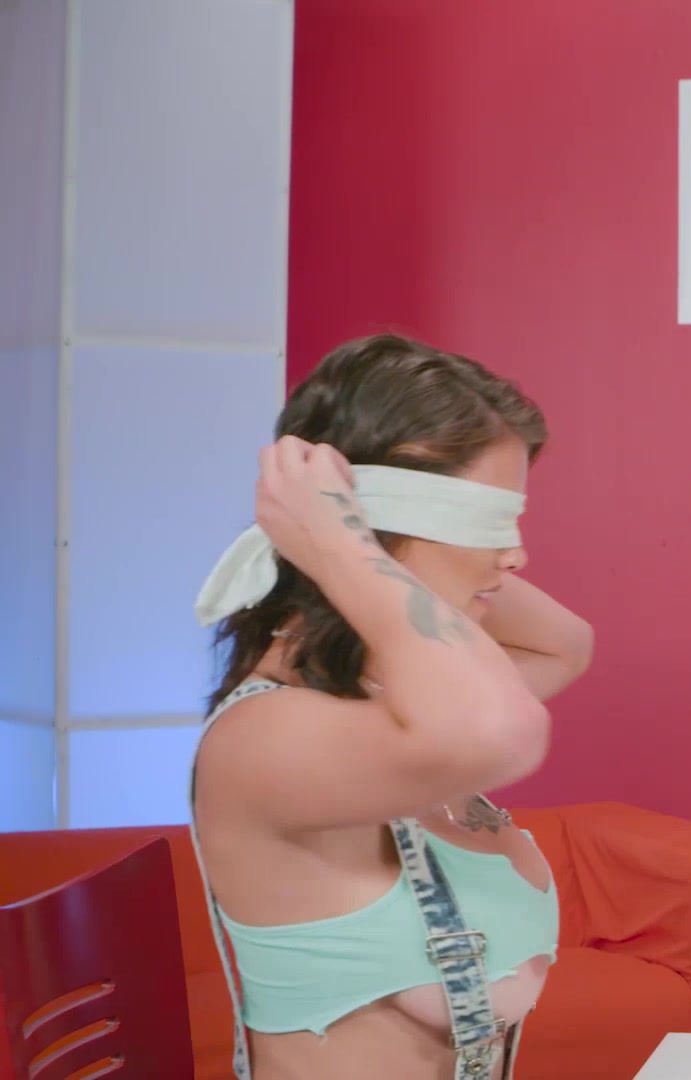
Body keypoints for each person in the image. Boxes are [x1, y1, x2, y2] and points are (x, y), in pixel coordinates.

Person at [189, 334, 594, 1080]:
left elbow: (566, 645)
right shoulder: (268, 737)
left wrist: (359, 547)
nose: (514, 556)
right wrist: (339, 545)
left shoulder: (387, 706)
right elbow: (499, 730)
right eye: (486, 523)